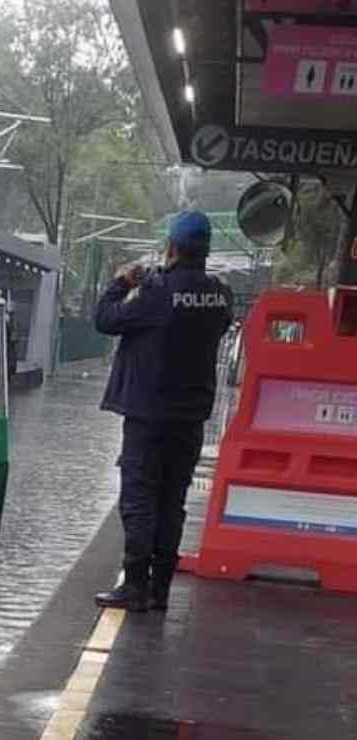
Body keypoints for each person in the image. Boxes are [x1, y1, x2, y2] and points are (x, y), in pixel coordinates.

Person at [93, 210, 233, 612]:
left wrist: (122, 282)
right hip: (190, 418)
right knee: (173, 501)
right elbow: (216, 325)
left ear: (171, 247)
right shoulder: (219, 295)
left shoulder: (155, 293)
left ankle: (134, 584)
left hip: (148, 414)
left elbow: (105, 320)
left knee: (139, 497)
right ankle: (160, 589)